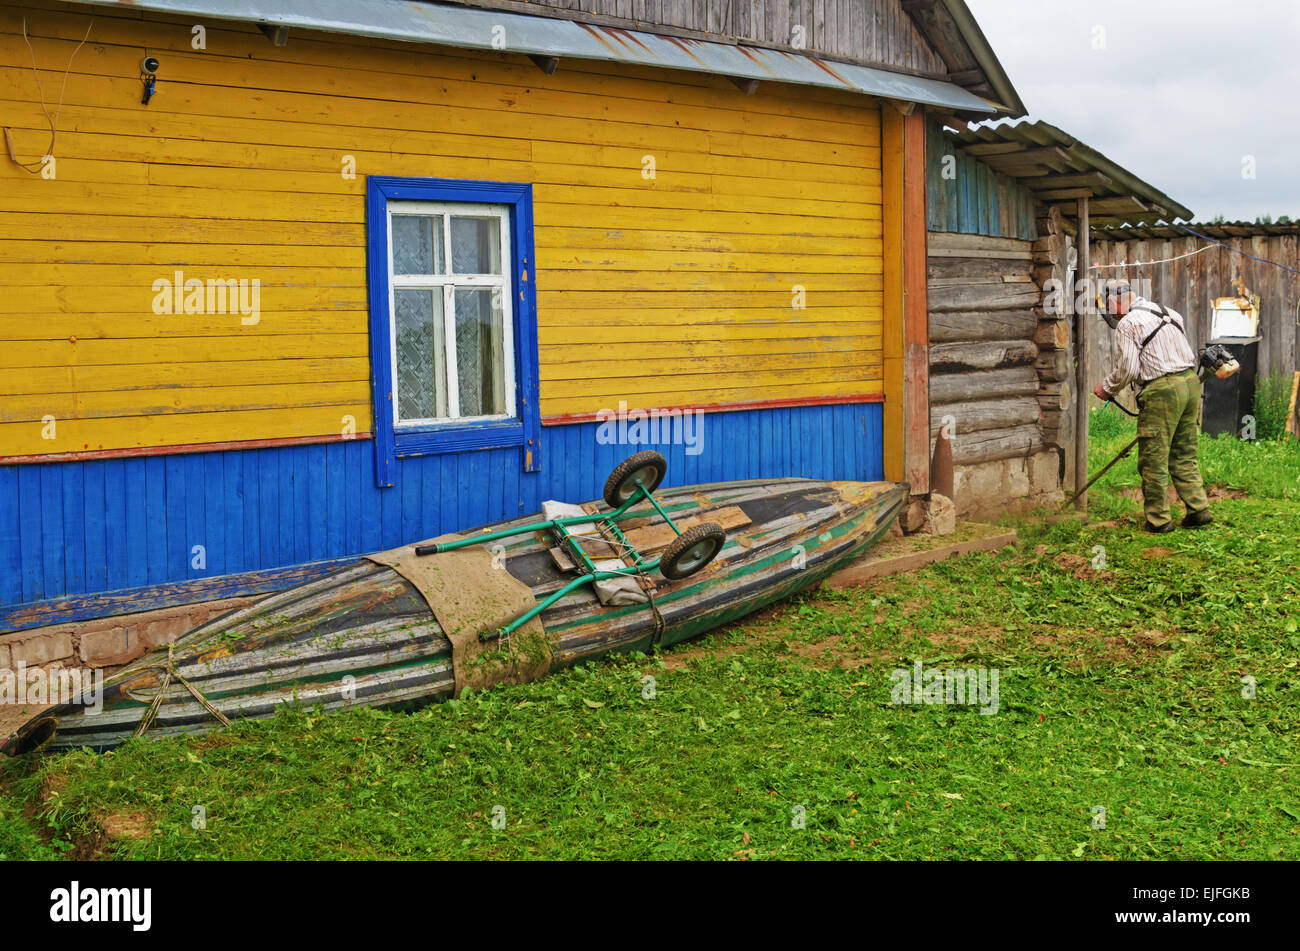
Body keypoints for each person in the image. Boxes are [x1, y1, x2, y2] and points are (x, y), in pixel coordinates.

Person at [1091, 280, 1212, 533]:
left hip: (1163, 390)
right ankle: (1199, 509)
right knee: (1183, 452)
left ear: (1114, 302)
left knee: (1153, 457)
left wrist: (1107, 387)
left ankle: (1159, 520)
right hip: (1190, 383)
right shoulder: (1169, 313)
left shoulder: (1128, 323)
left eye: (1109, 309)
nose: (1111, 315)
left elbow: (1128, 369)